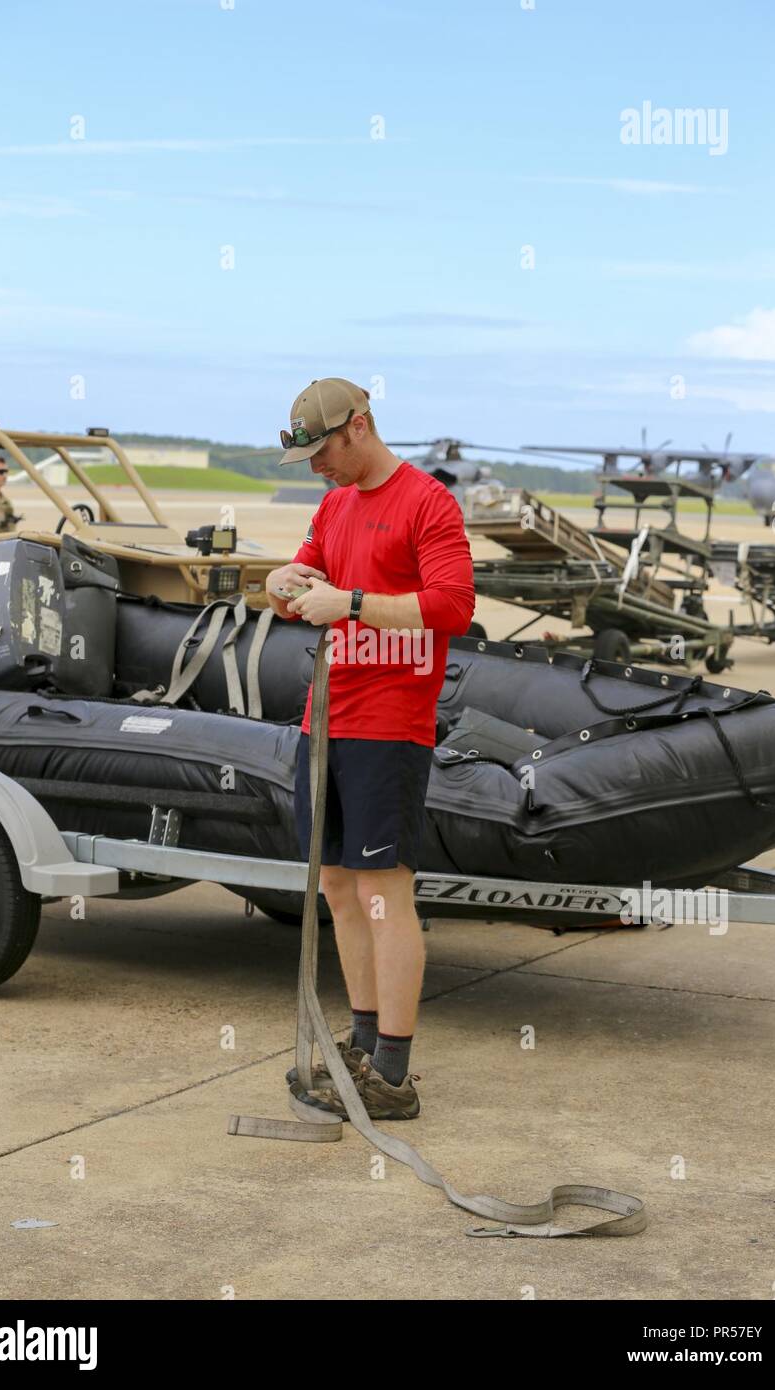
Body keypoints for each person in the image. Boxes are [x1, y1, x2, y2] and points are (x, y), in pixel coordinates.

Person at [265, 378, 475, 1120]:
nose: (318, 467)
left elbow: (453, 606)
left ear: (362, 425)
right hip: (325, 719)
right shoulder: (333, 505)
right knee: (336, 887)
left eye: (324, 451)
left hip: (390, 723)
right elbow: (295, 589)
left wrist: (349, 603)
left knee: (384, 892)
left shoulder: (427, 503)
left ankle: (393, 1070)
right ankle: (359, 1043)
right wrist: (279, 581)